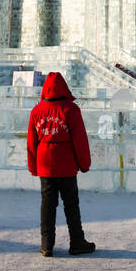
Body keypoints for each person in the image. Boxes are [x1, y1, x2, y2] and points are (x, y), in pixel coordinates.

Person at [26, 71, 95, 257]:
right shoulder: (71, 109)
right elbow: (80, 140)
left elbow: (31, 142)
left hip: (45, 164)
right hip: (66, 164)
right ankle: (77, 242)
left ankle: (46, 244)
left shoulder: (37, 111)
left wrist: (33, 166)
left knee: (47, 205)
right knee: (71, 205)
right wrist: (84, 164)